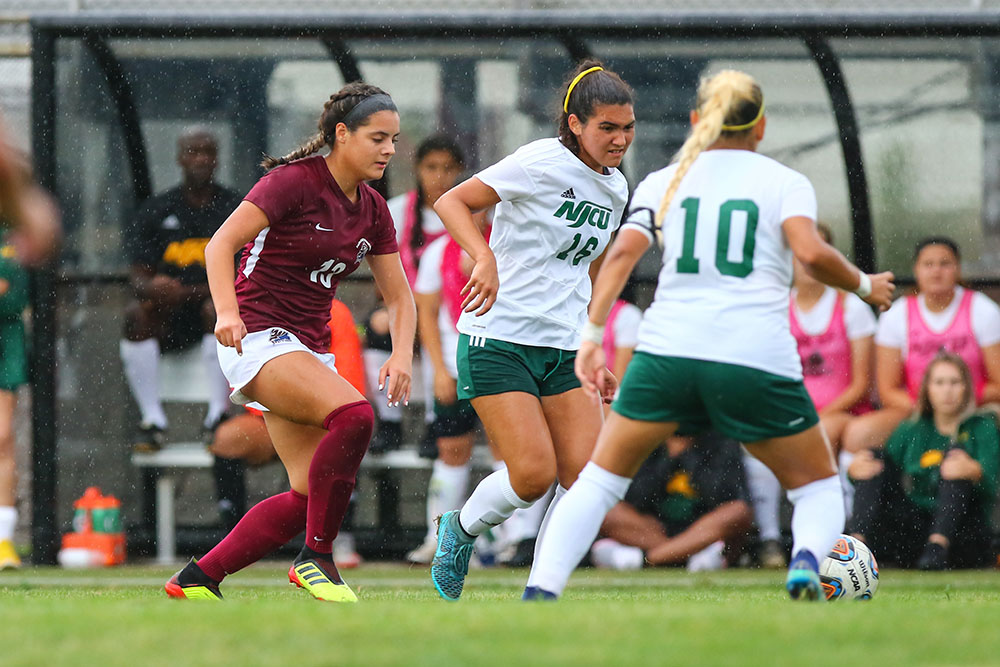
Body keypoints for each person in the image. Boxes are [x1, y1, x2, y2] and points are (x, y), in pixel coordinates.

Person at [527, 69, 894, 602]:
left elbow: (622, 256)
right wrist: (864, 284)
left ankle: (541, 590)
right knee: (815, 485)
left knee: (599, 483)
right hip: (753, 358)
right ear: (761, 127)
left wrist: (592, 334)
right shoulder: (783, 182)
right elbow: (811, 253)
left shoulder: (666, 179)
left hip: (668, 355)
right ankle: (807, 563)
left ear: (698, 120)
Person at [164, 82, 415, 602]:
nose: (389, 149)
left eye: (394, 139)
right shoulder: (293, 183)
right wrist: (227, 313)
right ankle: (317, 558)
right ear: (341, 135)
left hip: (305, 346)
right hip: (257, 336)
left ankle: (197, 579)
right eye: (377, 138)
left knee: (306, 495)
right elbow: (220, 247)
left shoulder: (372, 209)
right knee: (357, 416)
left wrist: (402, 353)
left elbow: (401, 298)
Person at [429, 59, 635, 601]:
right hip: (499, 339)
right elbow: (451, 201)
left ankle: (542, 590)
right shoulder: (540, 161)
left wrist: (591, 344)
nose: (619, 140)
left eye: (627, 127)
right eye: (606, 128)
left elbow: (585, 272)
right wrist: (481, 256)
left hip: (565, 347)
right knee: (532, 476)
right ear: (574, 124)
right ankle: (461, 528)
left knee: (587, 477)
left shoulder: (616, 188)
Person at [744, 223, 877, 567]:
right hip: (794, 412)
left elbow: (861, 384)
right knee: (755, 444)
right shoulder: (776, 309)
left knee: (825, 438)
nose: (806, 264)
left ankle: (844, 541)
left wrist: (817, 415)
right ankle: (770, 541)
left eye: (816, 256)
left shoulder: (852, 307)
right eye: (799, 256)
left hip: (842, 413)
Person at [120, 128, 244, 452]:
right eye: (193, 152)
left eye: (207, 152)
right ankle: (152, 422)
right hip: (170, 320)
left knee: (218, 310)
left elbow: (245, 277)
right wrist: (151, 287)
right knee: (136, 316)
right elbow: (137, 276)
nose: (200, 159)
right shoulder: (158, 209)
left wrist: (187, 292)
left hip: (216, 316)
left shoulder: (235, 208)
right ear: (180, 158)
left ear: (217, 159)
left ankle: (218, 416)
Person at [210, 297, 366, 532]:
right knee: (227, 440)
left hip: (319, 417)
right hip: (271, 415)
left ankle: (339, 534)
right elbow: (249, 376)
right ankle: (232, 530)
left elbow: (348, 376)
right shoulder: (257, 307)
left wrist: (309, 410)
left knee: (343, 438)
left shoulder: (336, 312)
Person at [840, 237, 1000, 460]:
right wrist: (929, 407)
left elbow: (998, 384)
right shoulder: (896, 315)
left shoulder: (983, 310)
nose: (936, 271)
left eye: (945, 263)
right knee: (859, 434)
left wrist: (955, 403)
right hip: (913, 410)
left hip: (974, 410)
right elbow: (887, 391)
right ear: (916, 270)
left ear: (958, 268)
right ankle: (850, 494)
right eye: (928, 264)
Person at [366, 135, 470, 454]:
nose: (439, 176)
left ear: (460, 171)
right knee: (379, 327)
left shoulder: (469, 213)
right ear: (417, 168)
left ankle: (433, 423)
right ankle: (390, 420)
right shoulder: (398, 211)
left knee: (432, 328)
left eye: (448, 168)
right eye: (431, 167)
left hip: (453, 312)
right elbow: (381, 273)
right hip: (407, 306)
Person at [847, 354, 1000, 570]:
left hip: (963, 533)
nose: (947, 390)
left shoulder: (982, 427)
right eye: (939, 383)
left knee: (956, 460)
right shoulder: (912, 428)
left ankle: (938, 546)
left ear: (967, 387)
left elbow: (994, 484)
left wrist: (976, 472)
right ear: (927, 389)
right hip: (914, 529)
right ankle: (855, 549)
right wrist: (854, 472)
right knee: (875, 457)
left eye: (955, 382)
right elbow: (885, 477)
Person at [590, 432, 752, 571]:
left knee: (737, 511)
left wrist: (688, 455)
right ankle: (683, 557)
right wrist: (669, 457)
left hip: (700, 530)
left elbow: (725, 498)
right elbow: (636, 498)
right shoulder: (643, 438)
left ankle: (647, 560)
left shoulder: (720, 440)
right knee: (604, 507)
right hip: (651, 531)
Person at [0, 238, 28, 569]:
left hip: (5, 344)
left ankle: (3, 540)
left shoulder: (16, 230)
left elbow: (15, 293)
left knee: (3, 438)